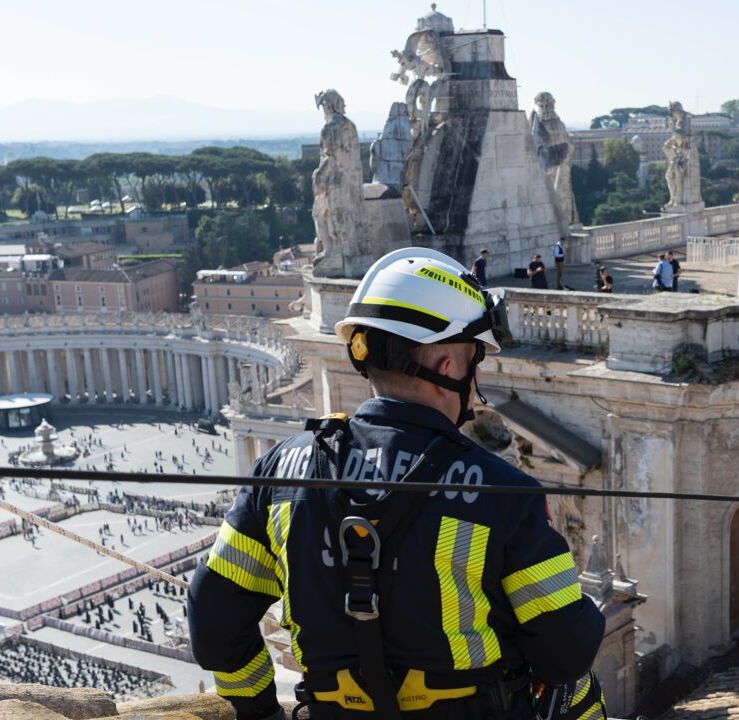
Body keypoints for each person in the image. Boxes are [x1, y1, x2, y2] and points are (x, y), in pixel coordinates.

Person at [188, 247, 605, 720]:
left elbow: (213, 617)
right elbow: (565, 654)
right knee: (577, 691)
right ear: (449, 368)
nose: (476, 381)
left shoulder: (282, 469)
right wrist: (584, 609)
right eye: (475, 361)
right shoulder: (502, 491)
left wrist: (261, 711)